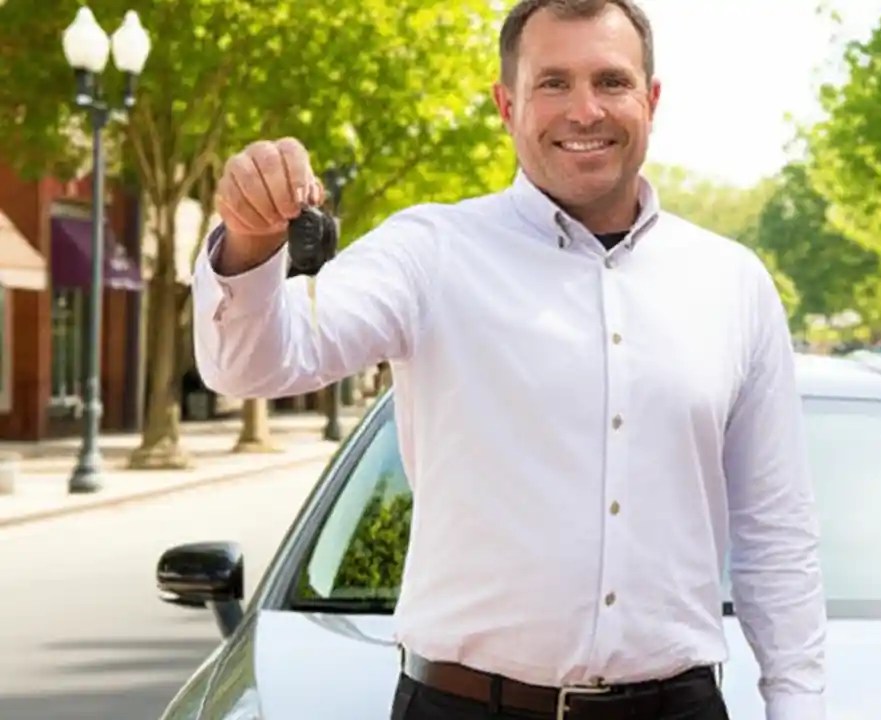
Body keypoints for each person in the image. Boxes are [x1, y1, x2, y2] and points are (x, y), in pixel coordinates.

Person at [191, 0, 826, 718]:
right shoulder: (428, 255)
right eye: (553, 83)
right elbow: (255, 366)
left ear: (650, 99)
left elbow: (776, 528)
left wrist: (797, 705)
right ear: (506, 104)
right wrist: (248, 241)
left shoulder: (732, 283)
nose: (584, 110)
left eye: (611, 82)